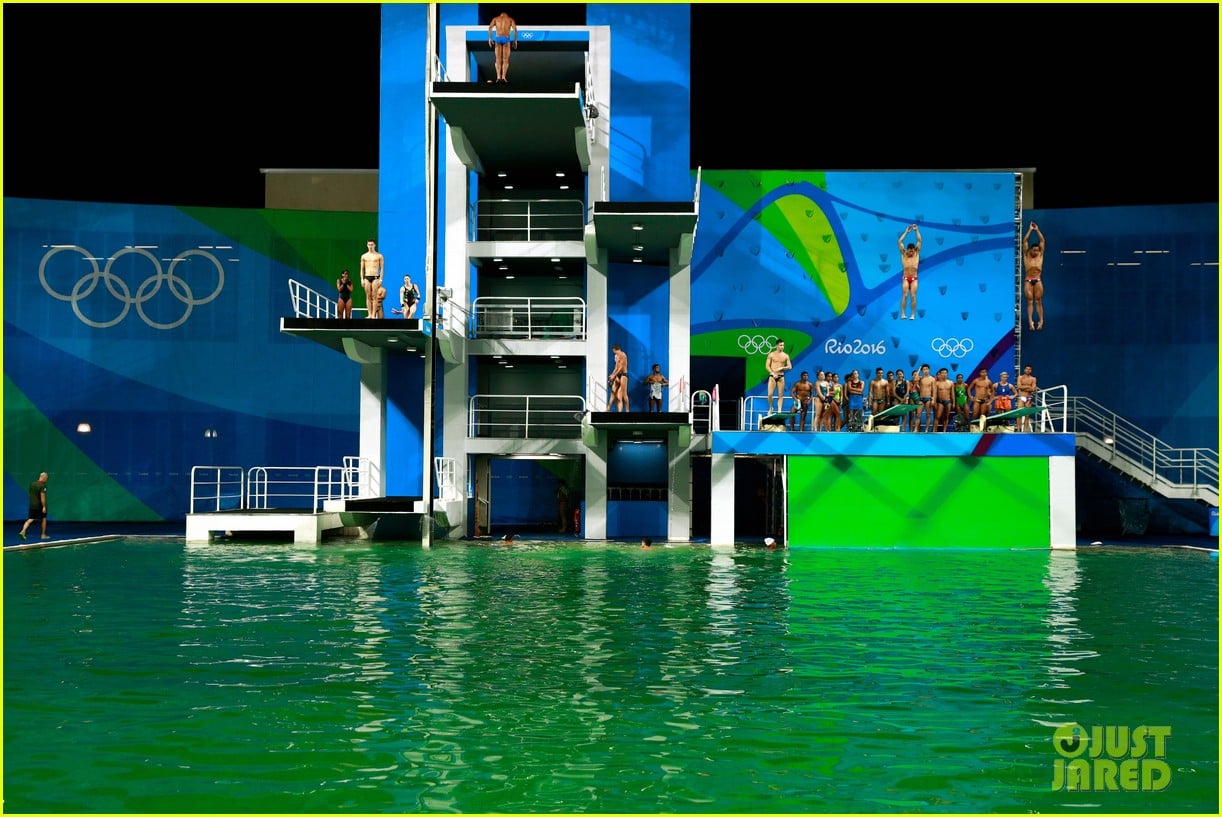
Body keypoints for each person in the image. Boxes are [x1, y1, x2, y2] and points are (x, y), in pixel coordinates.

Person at [1023, 221, 1046, 330]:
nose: (1036, 252)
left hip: (1038, 279)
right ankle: (1030, 322)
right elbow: (1025, 241)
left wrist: (1037, 230)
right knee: (1029, 301)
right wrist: (1030, 230)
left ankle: (1041, 321)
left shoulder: (1040, 255)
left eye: (1037, 250)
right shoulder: (1026, 254)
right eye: (1034, 250)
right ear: (1031, 250)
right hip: (1028, 280)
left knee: (1038, 301)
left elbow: (1042, 240)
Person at [898, 223, 922, 320]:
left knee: (912, 295)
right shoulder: (904, 254)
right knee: (905, 295)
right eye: (910, 251)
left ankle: (912, 314)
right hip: (905, 278)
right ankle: (903, 313)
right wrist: (906, 232)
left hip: (914, 278)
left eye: (912, 251)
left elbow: (919, 240)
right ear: (907, 250)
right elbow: (899, 242)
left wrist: (916, 230)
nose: (911, 252)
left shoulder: (916, 253)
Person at [488, 12, 518, 83]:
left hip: (498, 38)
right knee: (505, 59)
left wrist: (490, 38)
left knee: (498, 59)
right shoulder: (510, 19)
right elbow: (515, 30)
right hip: (506, 39)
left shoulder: (496, 19)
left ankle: (498, 77)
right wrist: (515, 40)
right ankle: (503, 77)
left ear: (500, 15)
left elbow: (490, 27)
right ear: (506, 15)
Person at [764, 338, 793, 414]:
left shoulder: (786, 355)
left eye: (783, 345)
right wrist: (773, 373)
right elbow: (767, 366)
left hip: (781, 377)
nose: (782, 347)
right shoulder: (771, 354)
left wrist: (783, 367)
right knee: (770, 395)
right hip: (772, 377)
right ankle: (771, 407)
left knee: (780, 395)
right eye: (780, 345)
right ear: (777, 345)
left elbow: (790, 366)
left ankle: (779, 411)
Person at [18, 472, 49, 540]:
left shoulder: (32, 484)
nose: (47, 480)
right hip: (39, 506)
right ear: (44, 478)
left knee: (30, 519)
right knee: (44, 519)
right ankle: (43, 535)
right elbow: (42, 497)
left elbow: (31, 494)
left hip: (32, 505)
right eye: (46, 478)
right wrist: (43, 506)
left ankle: (23, 531)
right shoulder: (43, 486)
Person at [360, 239, 384, 319]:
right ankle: (369, 314)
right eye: (369, 244)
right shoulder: (364, 256)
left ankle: (373, 315)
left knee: (374, 296)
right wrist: (362, 279)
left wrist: (380, 279)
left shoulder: (379, 256)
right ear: (367, 245)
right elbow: (362, 269)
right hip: (367, 276)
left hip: (375, 277)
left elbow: (382, 268)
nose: (370, 246)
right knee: (368, 296)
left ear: (374, 245)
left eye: (371, 244)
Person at [1016, 364, 1039, 431]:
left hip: (1028, 398)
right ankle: (1018, 429)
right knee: (1019, 414)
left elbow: (1033, 389)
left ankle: (1025, 430)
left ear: (1031, 370)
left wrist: (1025, 387)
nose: (1028, 370)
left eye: (1029, 369)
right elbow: (1019, 387)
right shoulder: (1020, 377)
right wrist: (1028, 386)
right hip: (1021, 397)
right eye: (1027, 369)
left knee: (1027, 415)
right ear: (1024, 370)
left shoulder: (1033, 378)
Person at [607, 343, 629, 412]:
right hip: (617, 375)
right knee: (613, 393)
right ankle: (608, 409)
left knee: (624, 394)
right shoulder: (616, 356)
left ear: (614, 349)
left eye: (613, 351)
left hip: (623, 375)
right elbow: (616, 367)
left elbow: (621, 367)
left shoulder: (623, 355)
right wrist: (612, 374)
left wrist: (614, 375)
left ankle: (627, 410)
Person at [933, 367, 955, 432]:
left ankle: (944, 431)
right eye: (943, 373)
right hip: (940, 402)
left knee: (946, 417)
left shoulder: (951, 382)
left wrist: (953, 403)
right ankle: (934, 431)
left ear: (947, 374)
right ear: (940, 374)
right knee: (937, 417)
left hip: (948, 401)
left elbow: (952, 394)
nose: (944, 374)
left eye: (945, 373)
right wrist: (934, 402)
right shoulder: (937, 383)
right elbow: (935, 394)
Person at [917, 363, 936, 432]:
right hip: (921, 398)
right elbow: (915, 378)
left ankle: (927, 429)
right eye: (924, 369)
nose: (925, 370)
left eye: (926, 369)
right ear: (922, 371)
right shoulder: (920, 378)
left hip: (928, 398)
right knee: (918, 415)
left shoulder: (932, 379)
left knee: (928, 415)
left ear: (929, 370)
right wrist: (919, 369)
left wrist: (933, 399)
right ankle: (916, 429)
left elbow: (934, 390)